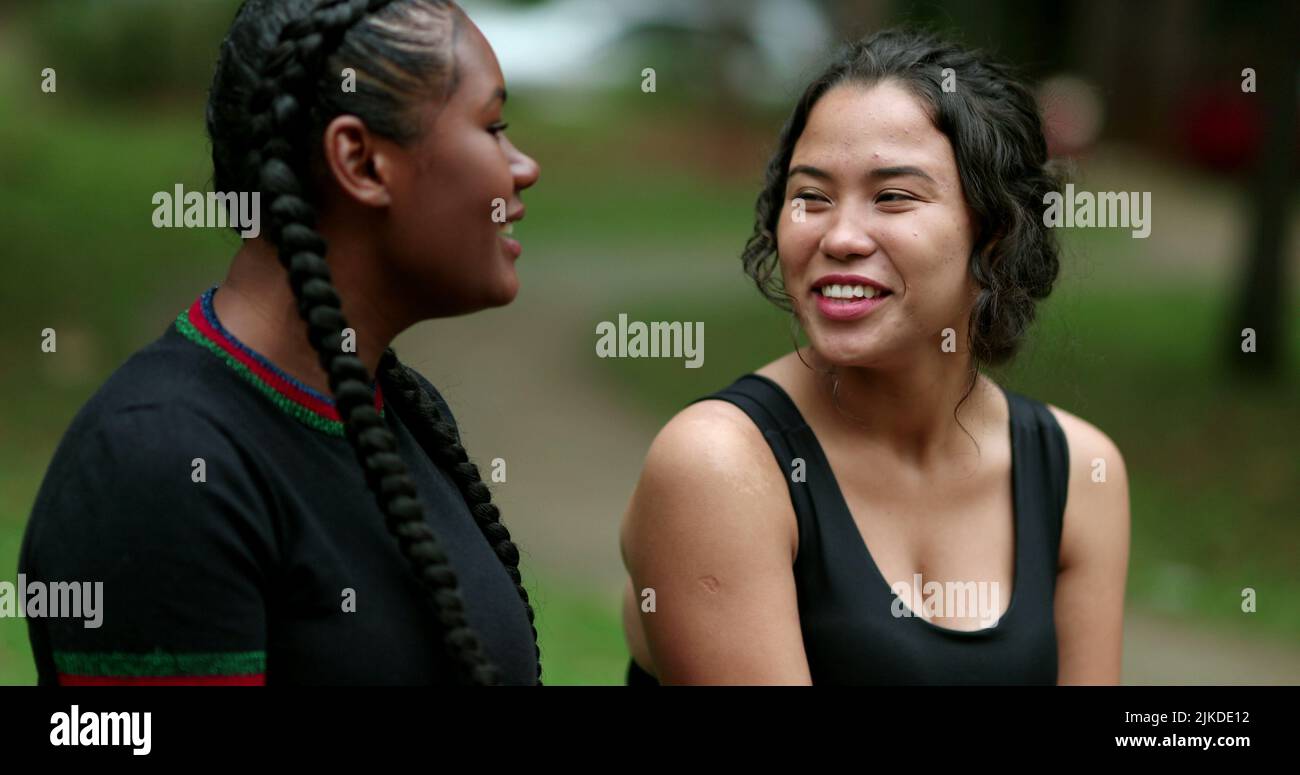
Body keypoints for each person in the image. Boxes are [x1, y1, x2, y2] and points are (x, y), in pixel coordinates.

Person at [20, 0, 542, 686]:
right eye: (493, 126)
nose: (523, 165)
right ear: (360, 161)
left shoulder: (399, 411)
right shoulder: (161, 464)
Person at [619, 29, 1130, 685]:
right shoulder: (720, 466)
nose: (840, 236)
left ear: (997, 233)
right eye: (811, 196)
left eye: (892, 196)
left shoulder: (1078, 472)